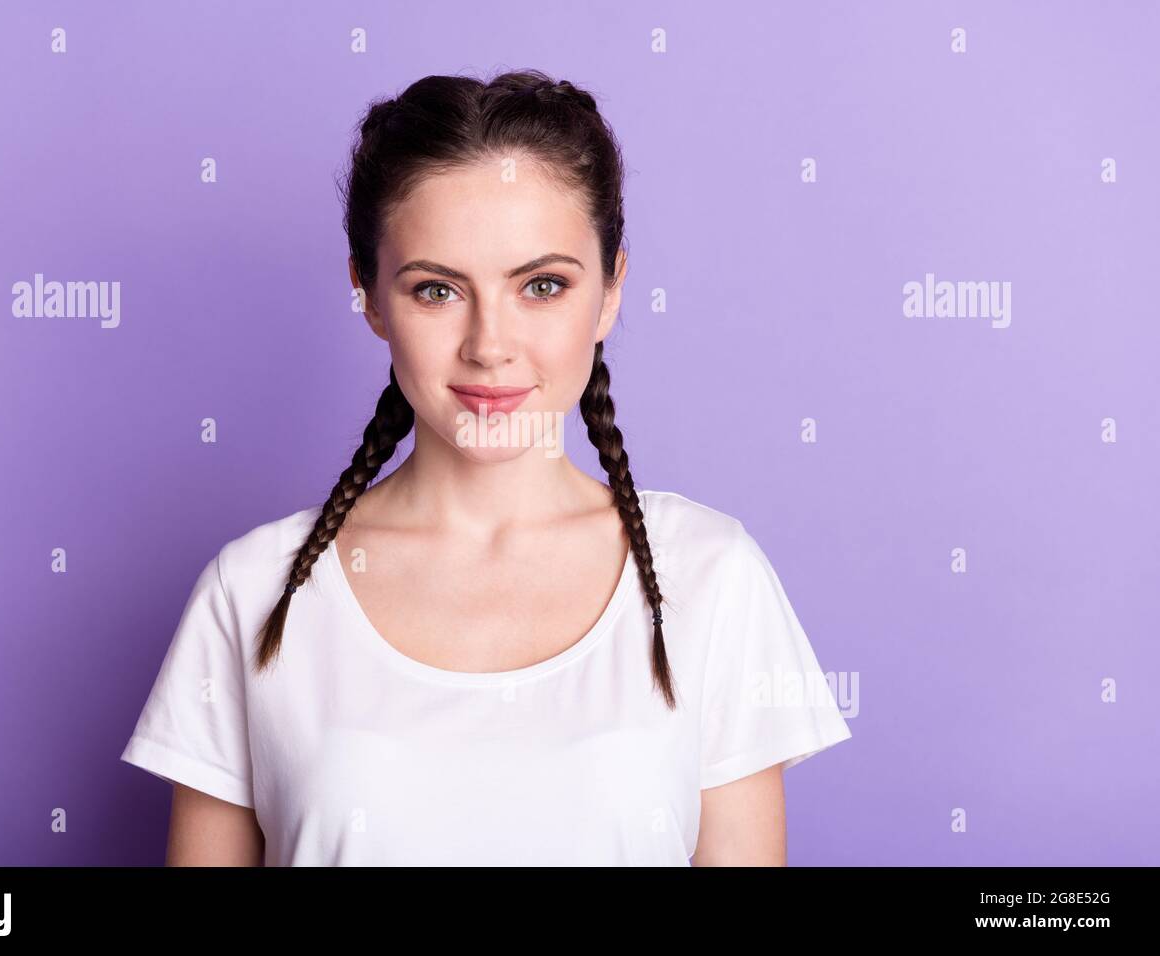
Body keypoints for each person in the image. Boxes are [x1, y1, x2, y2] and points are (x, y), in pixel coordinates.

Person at [120, 68, 852, 866]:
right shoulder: (255, 591)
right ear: (369, 295)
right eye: (437, 290)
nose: (489, 346)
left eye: (542, 285)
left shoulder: (713, 577)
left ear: (611, 291)